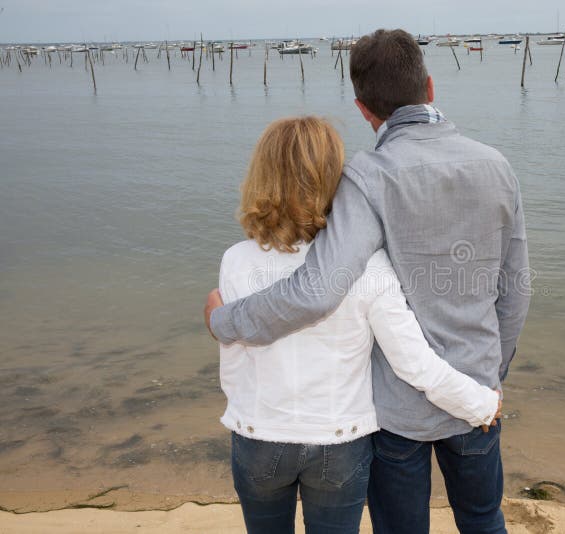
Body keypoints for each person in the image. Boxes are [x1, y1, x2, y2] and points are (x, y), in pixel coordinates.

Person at [206, 29, 530, 534]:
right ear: (430, 87)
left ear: (362, 109)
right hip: (477, 387)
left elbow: (319, 290)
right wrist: (491, 371)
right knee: (484, 519)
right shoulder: (498, 165)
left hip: (400, 412)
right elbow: (515, 291)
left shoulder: (368, 174)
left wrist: (225, 321)